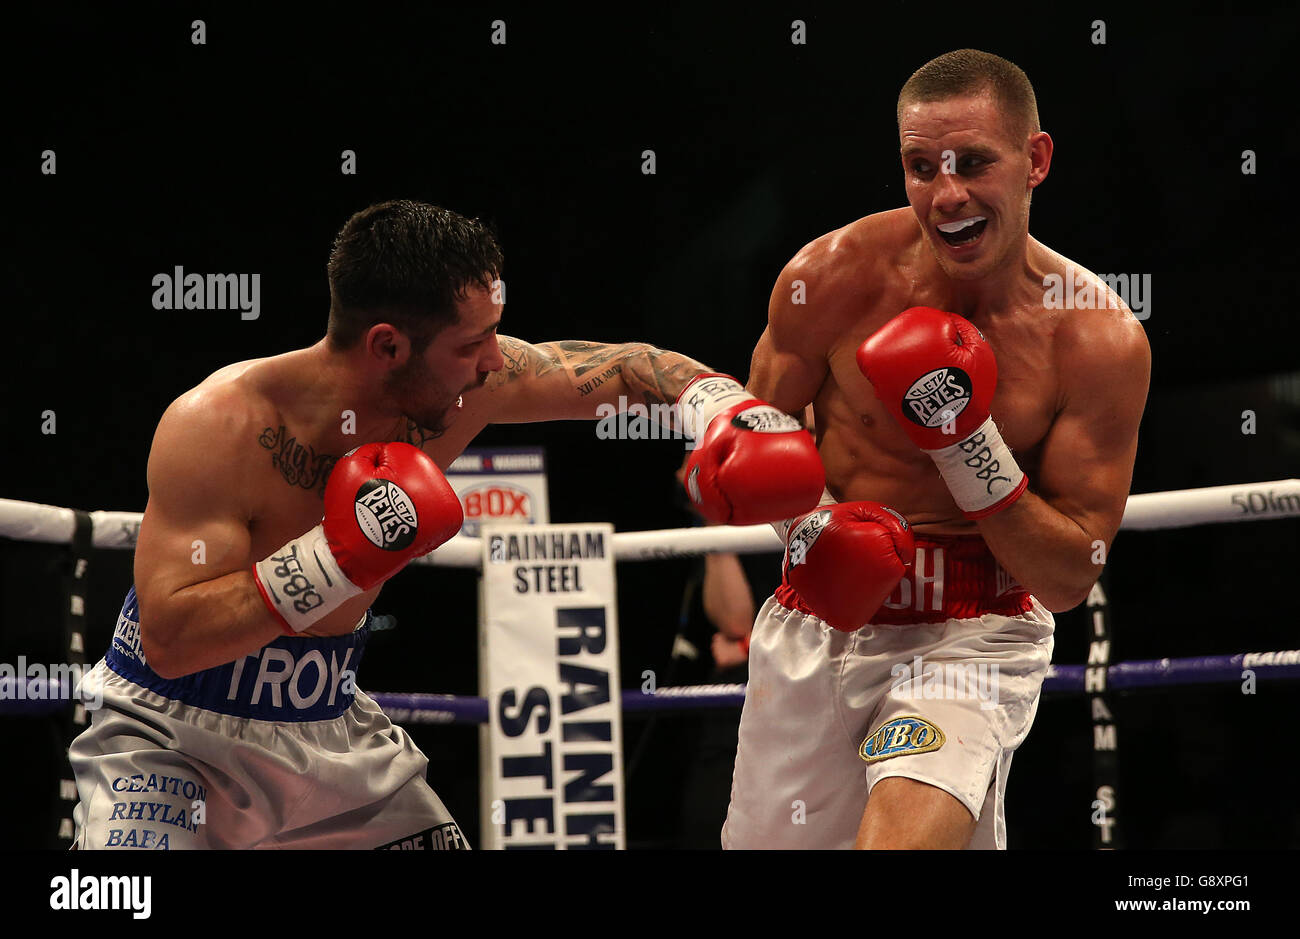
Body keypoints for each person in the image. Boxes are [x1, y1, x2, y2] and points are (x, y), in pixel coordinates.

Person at [69, 199, 824, 850]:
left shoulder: (468, 392)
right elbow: (169, 641)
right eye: (471, 343)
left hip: (326, 725)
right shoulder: (222, 424)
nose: (495, 360)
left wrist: (730, 411)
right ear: (388, 346)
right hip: (169, 739)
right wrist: (338, 556)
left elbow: (626, 369)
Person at [722, 49, 1151, 850]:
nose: (947, 195)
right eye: (922, 168)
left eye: (974, 164)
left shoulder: (1096, 337)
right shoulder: (829, 277)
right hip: (818, 624)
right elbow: (748, 451)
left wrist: (964, 441)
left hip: (973, 630)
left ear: (1036, 160)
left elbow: (1067, 574)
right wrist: (815, 528)